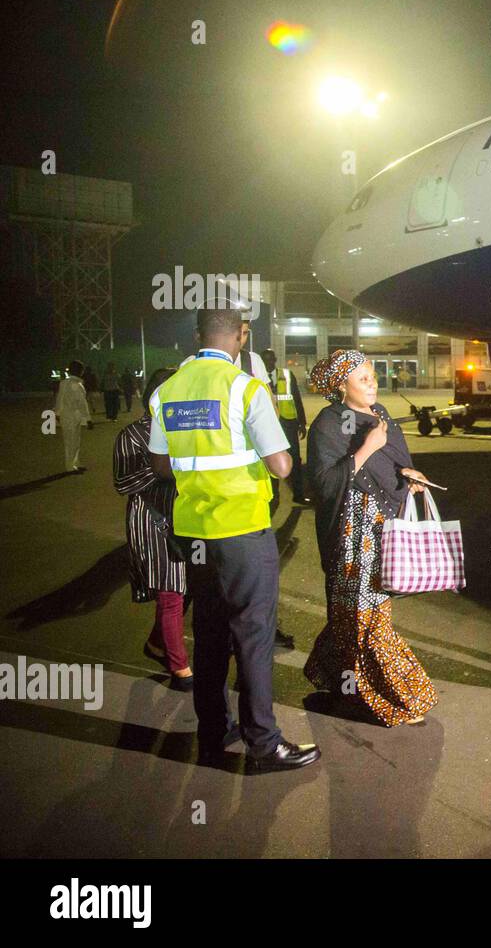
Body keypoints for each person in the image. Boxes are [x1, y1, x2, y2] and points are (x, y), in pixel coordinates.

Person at [148, 305, 320, 772]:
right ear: (241, 337)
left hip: (194, 532)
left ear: (197, 336)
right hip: (242, 529)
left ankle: (212, 730)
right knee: (254, 634)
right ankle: (263, 742)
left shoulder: (167, 390)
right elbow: (282, 465)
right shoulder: (246, 388)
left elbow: (161, 465)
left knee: (208, 633)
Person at [302, 349, 439, 727]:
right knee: (367, 619)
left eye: (373, 375)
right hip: (351, 537)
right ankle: (399, 695)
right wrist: (366, 449)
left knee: (354, 616)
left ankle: (334, 676)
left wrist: (407, 478)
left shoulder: (382, 417)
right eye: (363, 378)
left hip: (384, 532)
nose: (373, 382)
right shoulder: (328, 424)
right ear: (341, 386)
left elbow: (392, 465)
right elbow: (325, 485)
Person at [114, 367, 193, 691]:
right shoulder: (132, 435)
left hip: (187, 518)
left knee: (184, 589)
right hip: (151, 519)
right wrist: (165, 466)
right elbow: (123, 483)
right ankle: (179, 666)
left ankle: (156, 642)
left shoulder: (187, 430)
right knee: (171, 592)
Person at [263, 349, 310, 507]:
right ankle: (272, 495)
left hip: (288, 423)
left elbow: (297, 399)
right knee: (269, 459)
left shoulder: (287, 375)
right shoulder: (256, 378)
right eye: (265, 359)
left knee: (295, 459)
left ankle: (298, 494)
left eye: (270, 359)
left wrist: (302, 422)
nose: (268, 362)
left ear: (275, 360)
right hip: (268, 425)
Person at [54, 360, 90, 473]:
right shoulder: (77, 384)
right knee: (72, 441)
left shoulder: (65, 383)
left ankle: (74, 463)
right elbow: (82, 403)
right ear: (79, 371)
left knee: (73, 441)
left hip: (67, 415)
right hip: (73, 415)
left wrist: (57, 413)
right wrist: (88, 418)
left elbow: (59, 398)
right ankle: (70, 466)